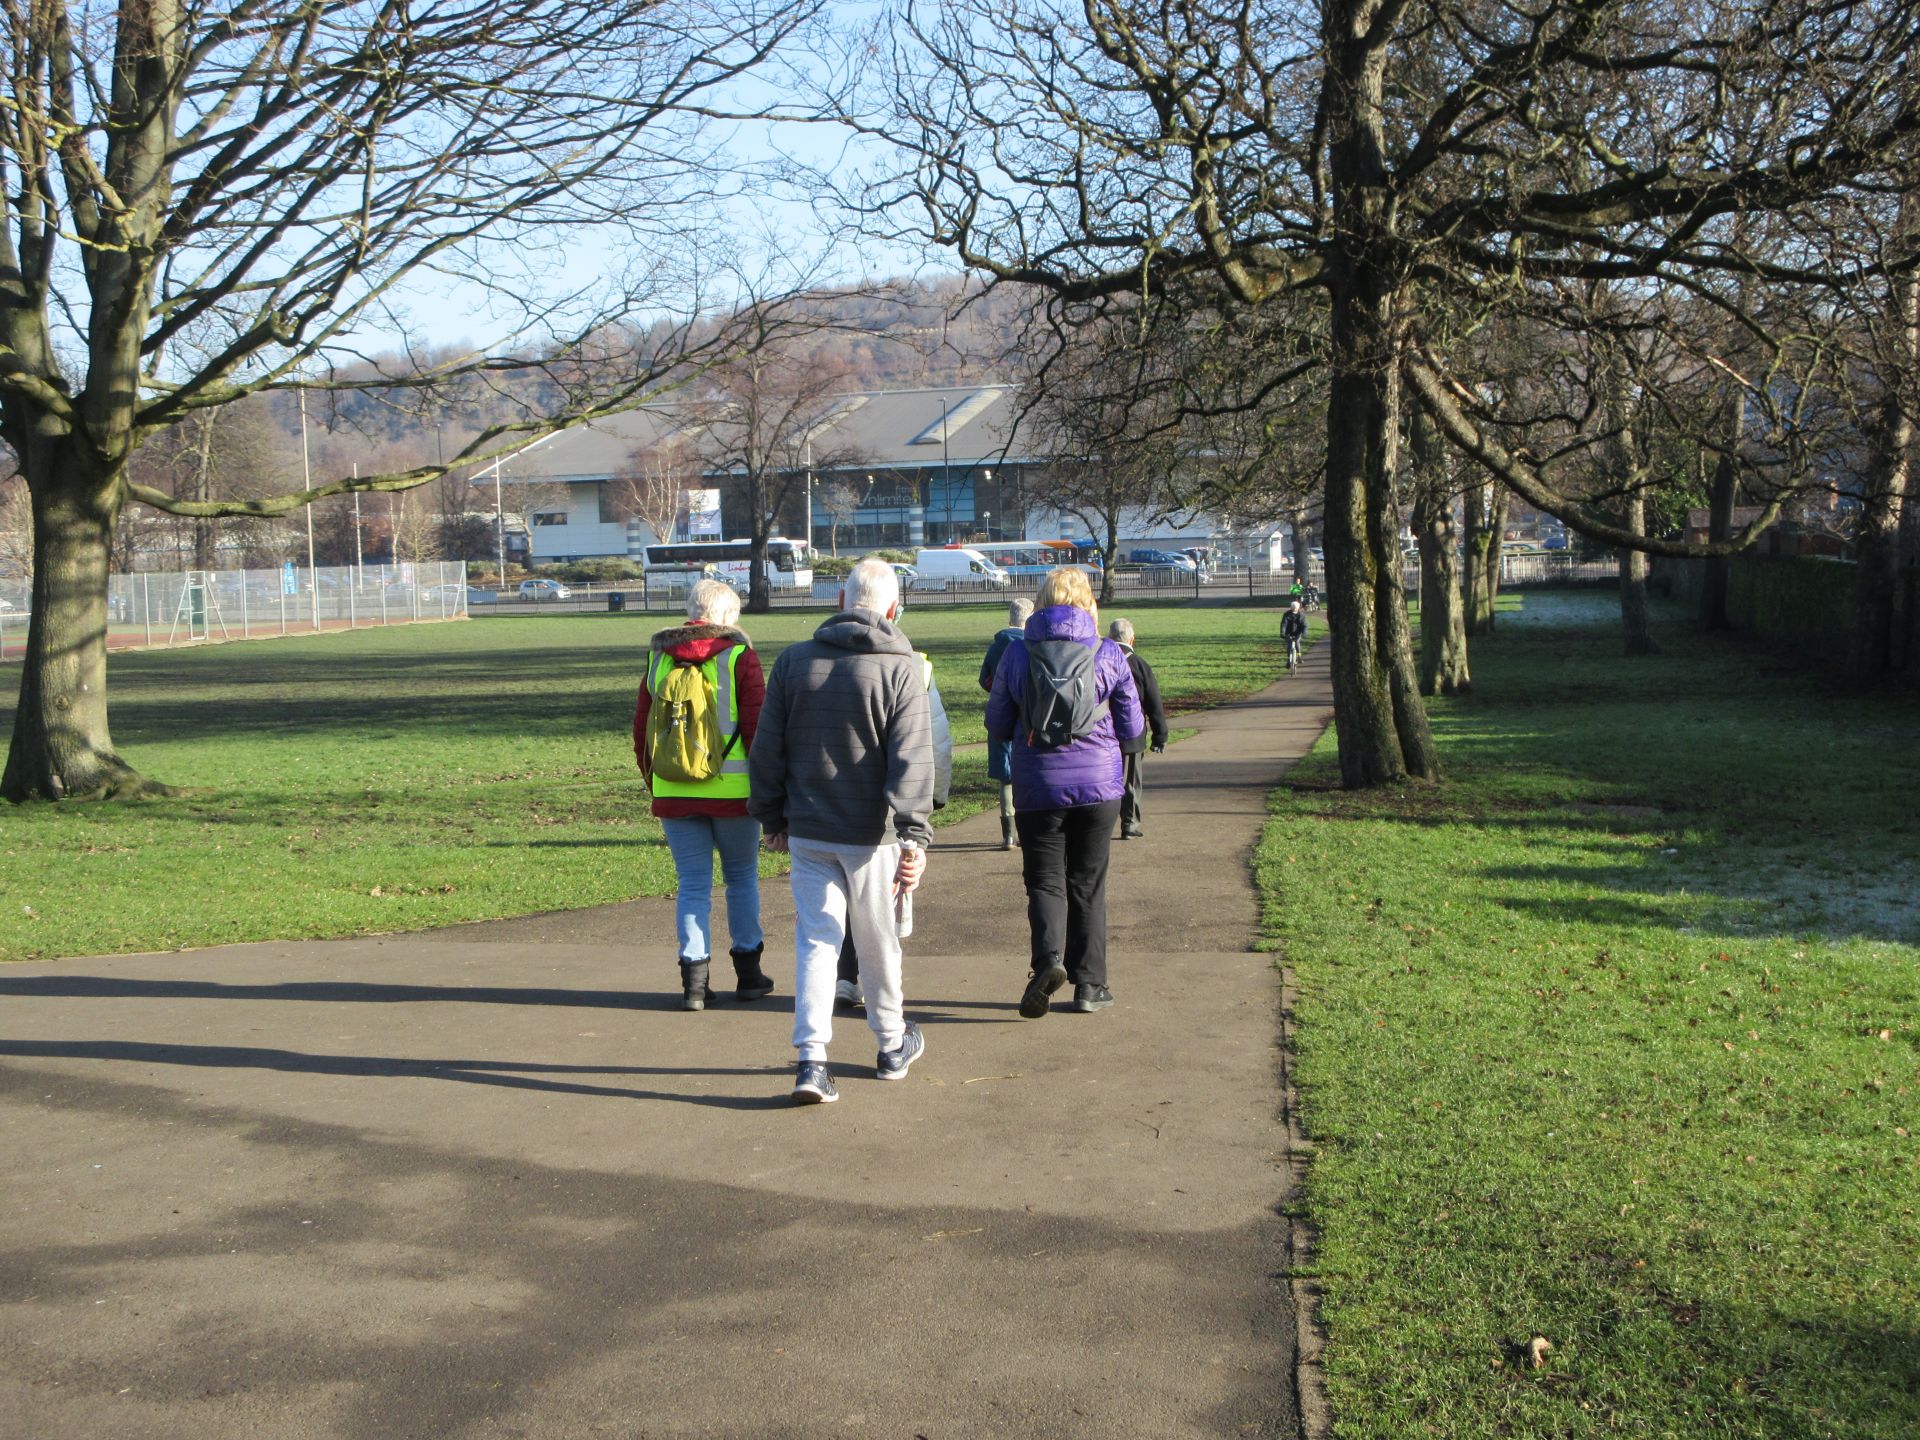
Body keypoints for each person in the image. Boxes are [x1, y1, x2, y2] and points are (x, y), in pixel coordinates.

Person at [749, 558, 934, 1105]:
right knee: (877, 944)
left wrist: (772, 816)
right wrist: (915, 837)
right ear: (894, 607)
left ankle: (811, 1060)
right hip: (870, 834)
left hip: (809, 829)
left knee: (816, 943)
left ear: (840, 598)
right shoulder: (901, 669)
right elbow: (913, 762)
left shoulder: (795, 661)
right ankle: (891, 1044)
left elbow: (767, 749)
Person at [986, 567, 1144, 1018]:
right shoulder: (1110, 652)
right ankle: (1091, 985)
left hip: (1038, 786)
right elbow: (1132, 727)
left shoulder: (1017, 656)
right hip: (1099, 785)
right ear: (1088, 604)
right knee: (1088, 884)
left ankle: (1048, 962)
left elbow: (996, 723)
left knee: (1044, 882)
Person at [633, 578, 771, 1011]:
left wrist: (654, 778)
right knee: (741, 878)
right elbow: (758, 729)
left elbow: (642, 729)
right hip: (734, 794)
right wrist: (769, 787)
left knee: (692, 884)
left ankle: (694, 982)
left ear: (691, 611)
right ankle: (748, 974)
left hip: (674, 792)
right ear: (729, 617)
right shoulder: (739, 659)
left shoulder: (658, 659)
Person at [836, 630, 953, 1010]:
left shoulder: (824, 660)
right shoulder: (916, 665)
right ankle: (878, 988)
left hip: (836, 795)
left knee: (843, 890)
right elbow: (933, 737)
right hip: (890, 801)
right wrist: (934, 793)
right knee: (884, 898)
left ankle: (844, 974)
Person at [979, 598, 1035, 850]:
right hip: (1027, 714)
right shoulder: (1032, 646)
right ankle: (1026, 831)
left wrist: (1000, 691)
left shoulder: (996, 646)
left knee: (1006, 777)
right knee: (1028, 772)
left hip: (1001, 712)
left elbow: (984, 679)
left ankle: (1007, 835)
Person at [1107, 618, 1168, 840]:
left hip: (1105, 731)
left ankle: (1100, 826)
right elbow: (1154, 704)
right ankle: (1129, 823)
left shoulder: (1102, 661)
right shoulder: (1139, 665)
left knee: (1104, 779)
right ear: (1132, 639)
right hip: (1133, 732)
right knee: (1131, 780)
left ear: (1110, 638)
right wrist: (1160, 735)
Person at [1282, 600, 1309, 670]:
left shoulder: (1302, 616)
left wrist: (1304, 633)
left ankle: (1299, 657)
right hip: (1288, 633)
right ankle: (1289, 659)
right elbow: (1284, 624)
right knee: (1289, 645)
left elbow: (1304, 625)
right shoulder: (1286, 614)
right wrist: (1283, 633)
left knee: (1297, 642)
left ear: (1298, 608)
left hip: (1298, 632)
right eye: (1292, 608)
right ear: (1291, 608)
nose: (1293, 609)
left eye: (1295, 608)